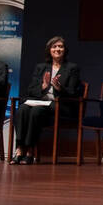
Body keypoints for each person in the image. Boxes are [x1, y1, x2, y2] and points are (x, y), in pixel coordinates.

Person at [11, 36, 82, 165]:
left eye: (61, 46)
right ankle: (20, 148)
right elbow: (31, 90)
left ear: (65, 50)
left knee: (36, 112)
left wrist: (58, 87)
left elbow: (73, 92)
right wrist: (43, 87)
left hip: (61, 105)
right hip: (40, 101)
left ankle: (30, 151)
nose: (58, 49)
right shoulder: (41, 67)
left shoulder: (72, 68)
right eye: (54, 47)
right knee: (22, 109)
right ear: (49, 50)